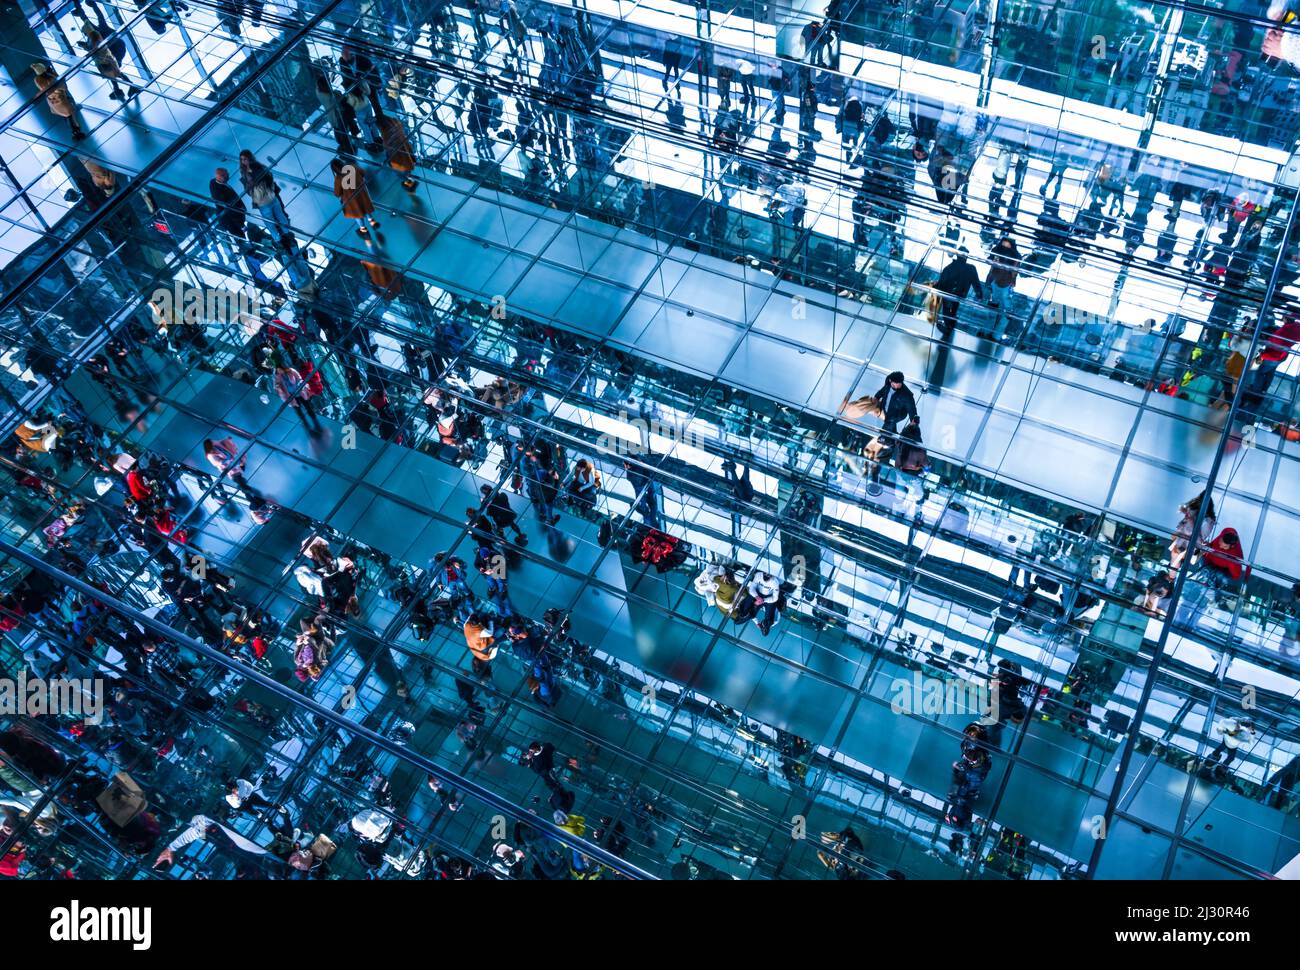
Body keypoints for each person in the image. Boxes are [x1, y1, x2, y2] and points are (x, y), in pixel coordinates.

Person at [78, 20, 141, 101]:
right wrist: (84, 45)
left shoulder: (95, 37)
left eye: (85, 32)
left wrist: (84, 46)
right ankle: (118, 89)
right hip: (103, 60)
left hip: (105, 60)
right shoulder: (92, 37)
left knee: (117, 74)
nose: (85, 34)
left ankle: (131, 86)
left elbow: (94, 49)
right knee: (111, 75)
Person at [238, 150, 292, 237]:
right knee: (275, 219)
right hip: (265, 199)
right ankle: (281, 236)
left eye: (245, 159)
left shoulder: (256, 169)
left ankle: (283, 234)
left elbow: (268, 179)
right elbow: (249, 189)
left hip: (267, 199)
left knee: (275, 219)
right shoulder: (248, 171)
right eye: (242, 159)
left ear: (249, 158)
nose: (243, 161)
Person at [935, 249, 984, 336]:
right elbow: (975, 282)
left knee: (947, 309)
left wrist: (936, 288)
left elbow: (942, 281)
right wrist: (979, 294)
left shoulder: (950, 267)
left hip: (948, 294)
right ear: (966, 256)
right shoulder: (971, 268)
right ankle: (950, 326)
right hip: (960, 295)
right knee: (953, 310)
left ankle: (948, 327)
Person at [32, 63, 85, 140]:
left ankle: (75, 131)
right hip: (59, 98)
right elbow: (61, 84)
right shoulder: (49, 77)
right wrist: (52, 74)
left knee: (67, 115)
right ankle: (75, 131)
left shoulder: (37, 79)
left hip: (53, 100)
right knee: (69, 114)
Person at [330, 157, 380, 236]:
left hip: (351, 201)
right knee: (365, 207)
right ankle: (372, 221)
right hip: (361, 194)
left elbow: (337, 193)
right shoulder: (352, 167)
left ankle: (363, 229)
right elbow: (363, 173)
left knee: (357, 214)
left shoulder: (338, 178)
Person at [984, 235, 1021, 340]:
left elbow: (1015, 269)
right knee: (994, 308)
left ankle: (996, 335)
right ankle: (988, 332)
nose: (1005, 245)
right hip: (996, 281)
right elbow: (990, 262)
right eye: (1003, 243)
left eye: (1007, 243)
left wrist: (1013, 280)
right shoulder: (997, 250)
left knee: (1006, 313)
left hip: (1006, 283)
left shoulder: (1015, 256)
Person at [1169, 491, 1216, 572]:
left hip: (1190, 540)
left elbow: (1189, 529)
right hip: (1189, 540)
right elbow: (1194, 534)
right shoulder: (1205, 518)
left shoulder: (1207, 520)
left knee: (1177, 552)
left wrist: (1187, 518)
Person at [209, 167, 247, 238]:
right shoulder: (217, 189)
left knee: (241, 237)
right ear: (220, 176)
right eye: (226, 176)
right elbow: (227, 207)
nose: (228, 177)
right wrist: (241, 224)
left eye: (227, 175)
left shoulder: (217, 182)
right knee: (240, 238)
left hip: (233, 217)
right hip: (230, 219)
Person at [747, 569, 782, 635]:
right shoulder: (775, 620)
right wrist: (762, 600)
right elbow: (775, 600)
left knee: (751, 612)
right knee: (769, 617)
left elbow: (752, 615)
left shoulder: (774, 581)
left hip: (766, 599)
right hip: (772, 602)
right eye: (764, 626)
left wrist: (757, 623)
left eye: (762, 626)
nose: (762, 624)